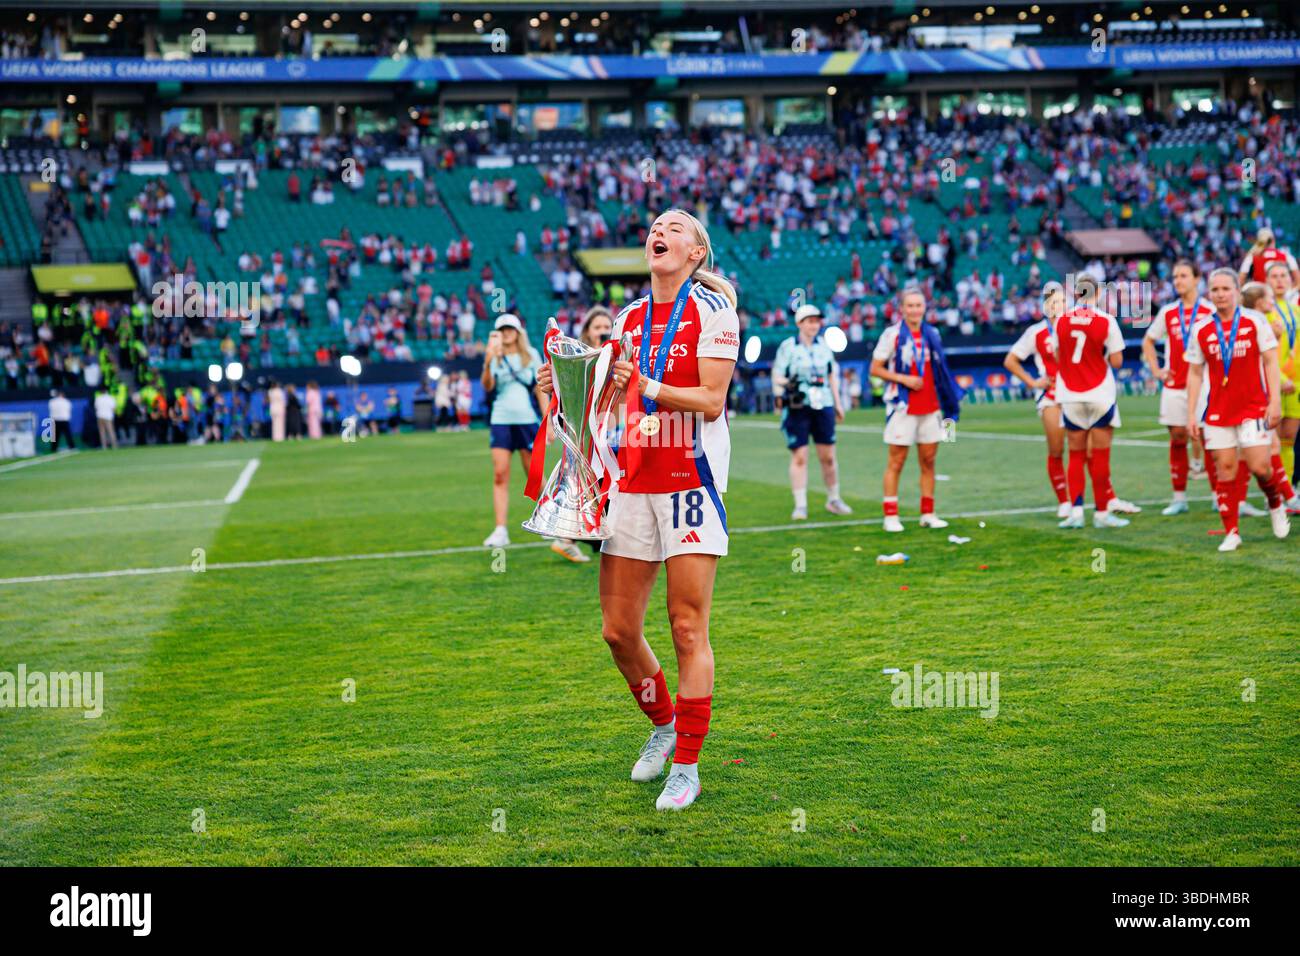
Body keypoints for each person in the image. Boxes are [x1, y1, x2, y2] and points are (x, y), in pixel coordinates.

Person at [534, 209, 739, 812]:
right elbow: (603, 408)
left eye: (676, 227)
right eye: (656, 225)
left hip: (691, 485)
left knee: (685, 627)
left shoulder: (713, 311)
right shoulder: (625, 319)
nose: (661, 232)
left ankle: (688, 765)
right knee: (618, 632)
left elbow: (710, 400)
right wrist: (561, 392)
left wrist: (646, 385)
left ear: (696, 252)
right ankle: (664, 723)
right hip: (632, 482)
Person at [1185, 268, 1290, 551]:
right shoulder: (1202, 329)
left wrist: (1275, 401)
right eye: (1215, 289)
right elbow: (1195, 373)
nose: (1219, 294)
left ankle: (1275, 502)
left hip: (1254, 407)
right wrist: (1191, 413)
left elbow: (1270, 362)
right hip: (1218, 411)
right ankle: (1231, 531)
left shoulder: (1255, 321)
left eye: (1225, 289)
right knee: (1226, 470)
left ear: (1236, 291)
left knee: (1260, 467)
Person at [869, 286, 964, 532]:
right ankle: (890, 516)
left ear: (925, 308)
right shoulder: (892, 335)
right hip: (903, 406)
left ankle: (928, 513)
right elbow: (875, 369)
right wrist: (904, 379)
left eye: (918, 305)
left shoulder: (932, 334)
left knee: (929, 460)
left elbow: (939, 370)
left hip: (931, 406)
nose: (914, 310)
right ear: (902, 309)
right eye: (909, 305)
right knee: (897, 461)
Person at [1052, 276, 1130, 529]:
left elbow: (1056, 354)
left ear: (1076, 293)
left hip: (1069, 393)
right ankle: (1101, 513)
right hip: (1099, 393)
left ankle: (1075, 513)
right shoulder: (1106, 321)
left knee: (1075, 455)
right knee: (1099, 456)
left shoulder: (1061, 320)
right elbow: (1117, 361)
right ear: (1098, 294)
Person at [1142, 259, 1213, 516]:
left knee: (1210, 440)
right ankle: (1179, 497)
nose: (1178, 281)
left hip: (1205, 384)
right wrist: (1156, 370)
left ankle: (1219, 496)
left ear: (1196, 279)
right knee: (1178, 439)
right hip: (1174, 385)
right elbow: (1148, 342)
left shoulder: (1210, 309)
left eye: (1183, 275)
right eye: (1175, 277)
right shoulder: (1168, 312)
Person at [772, 304, 852, 520]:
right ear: (799, 323)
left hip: (823, 403)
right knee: (800, 456)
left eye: (817, 321)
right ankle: (800, 504)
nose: (814, 325)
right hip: (798, 405)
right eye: (810, 321)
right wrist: (787, 384)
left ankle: (834, 499)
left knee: (828, 456)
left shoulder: (824, 346)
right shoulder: (788, 347)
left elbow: (831, 376)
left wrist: (838, 403)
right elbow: (777, 375)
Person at [1004, 292, 1070, 518]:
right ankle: (1064, 501)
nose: (1058, 306)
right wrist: (1032, 382)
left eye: (1062, 301)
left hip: (1077, 393)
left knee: (1086, 450)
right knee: (1056, 449)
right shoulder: (1036, 332)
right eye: (1053, 302)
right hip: (1050, 394)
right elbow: (1010, 360)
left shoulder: (1076, 325)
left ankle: (1096, 498)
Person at [480, 315, 542, 550]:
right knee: (500, 474)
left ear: (518, 331)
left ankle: (548, 519)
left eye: (509, 329)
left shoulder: (531, 355)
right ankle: (500, 529)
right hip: (501, 418)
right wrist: (487, 361)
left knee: (534, 475)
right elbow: (488, 386)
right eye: (501, 330)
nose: (506, 333)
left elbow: (540, 389)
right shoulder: (494, 356)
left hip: (527, 419)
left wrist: (548, 421)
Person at [1263, 261, 1300, 506]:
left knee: (1289, 439)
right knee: (1272, 442)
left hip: (1296, 386)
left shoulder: (1296, 311)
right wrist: (1282, 378)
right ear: (1267, 281)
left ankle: (1288, 490)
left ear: (1290, 279)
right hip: (1273, 384)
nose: (1279, 280)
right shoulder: (1262, 313)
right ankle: (1274, 493)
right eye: (1274, 276)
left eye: (1283, 276)